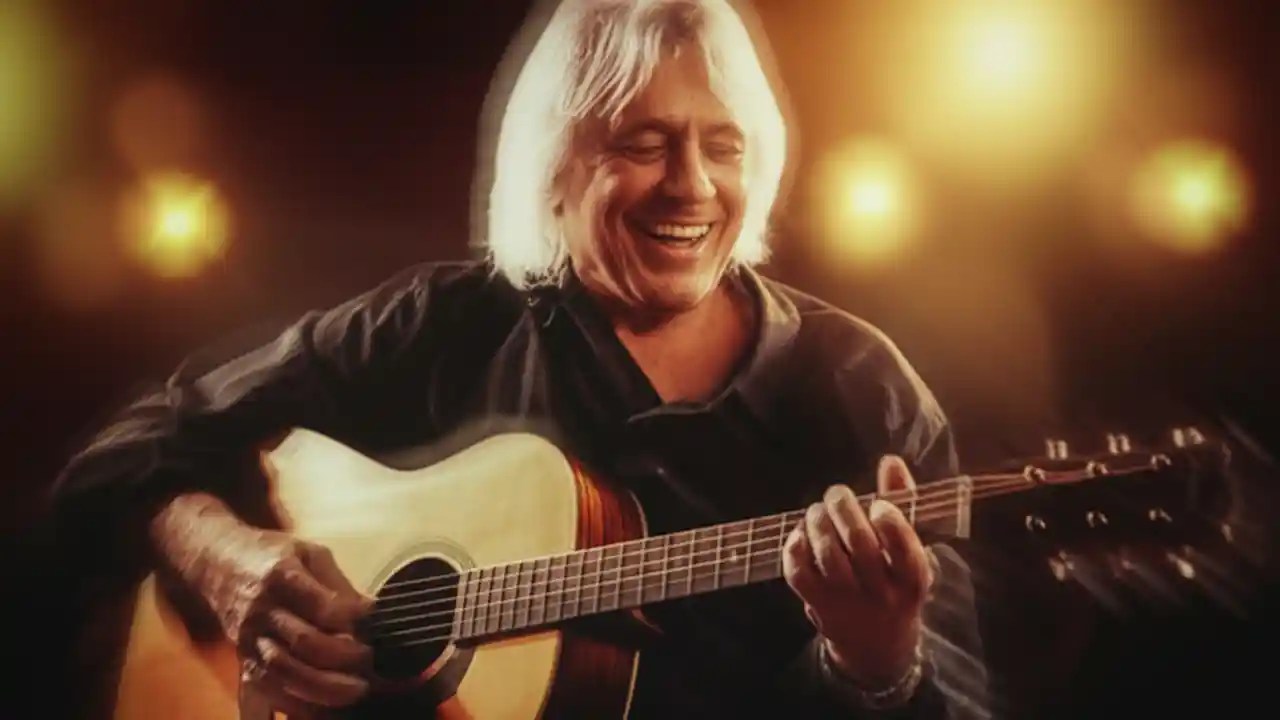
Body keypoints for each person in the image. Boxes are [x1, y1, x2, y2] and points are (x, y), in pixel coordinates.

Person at [47, 0, 991, 717]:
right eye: (643, 142)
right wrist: (230, 562)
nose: (693, 185)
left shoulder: (860, 389)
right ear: (553, 170)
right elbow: (126, 454)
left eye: (723, 146)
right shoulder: (442, 325)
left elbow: (954, 700)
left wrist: (879, 666)